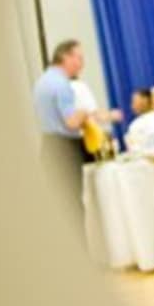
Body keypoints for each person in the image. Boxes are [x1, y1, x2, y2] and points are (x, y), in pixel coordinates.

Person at [31, 40, 120, 208]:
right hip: (65, 149)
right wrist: (85, 112)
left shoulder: (42, 82)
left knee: (57, 204)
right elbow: (71, 122)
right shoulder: (62, 85)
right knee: (72, 206)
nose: (82, 64)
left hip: (48, 145)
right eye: (79, 58)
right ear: (66, 57)